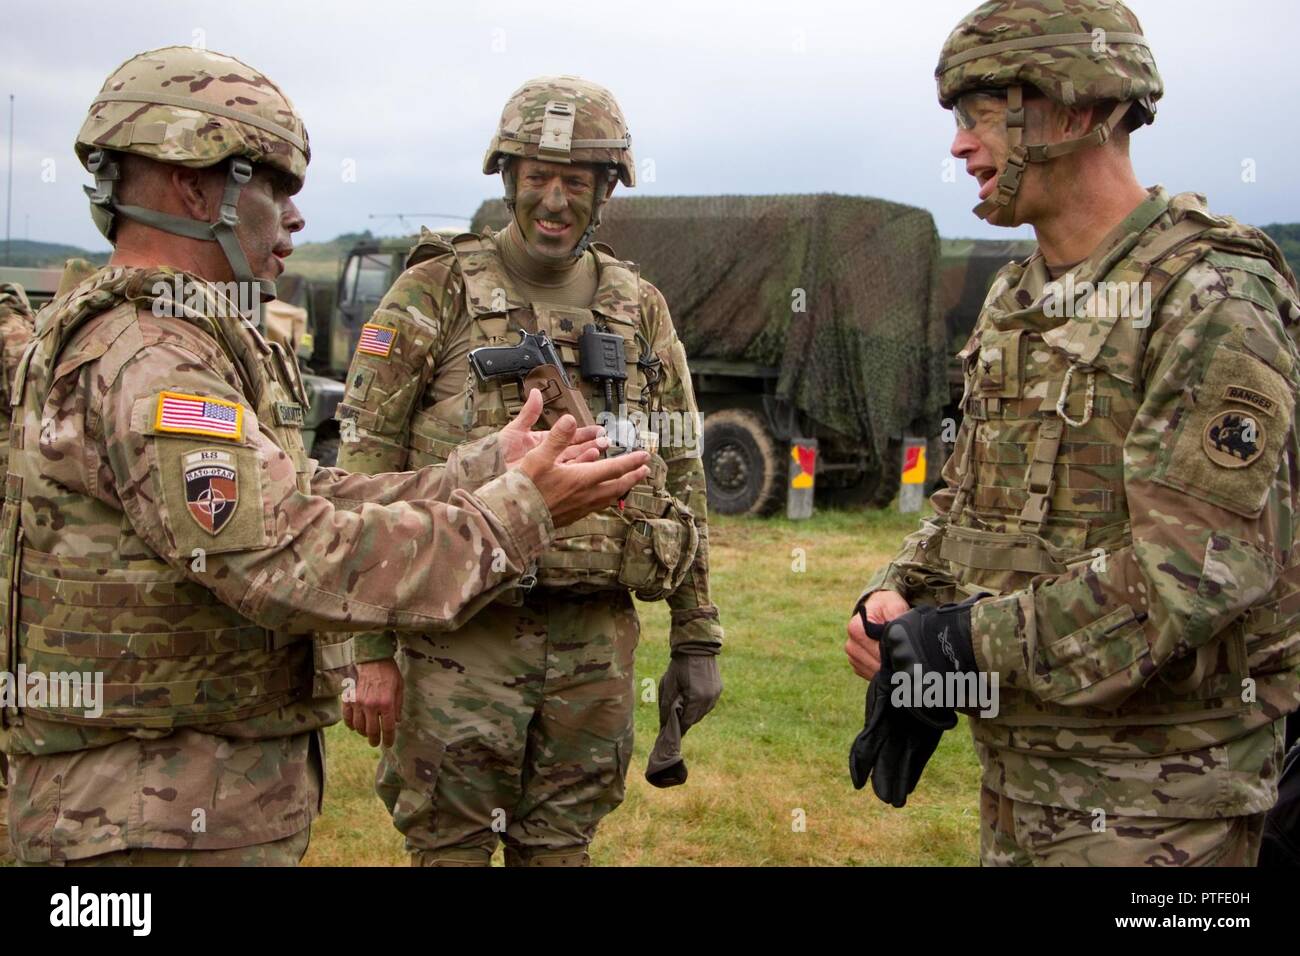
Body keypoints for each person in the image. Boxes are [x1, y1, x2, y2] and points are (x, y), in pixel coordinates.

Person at [0, 46, 648, 867]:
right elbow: (284, 551)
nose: (295, 218)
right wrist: (519, 511)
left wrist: (484, 468)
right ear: (195, 186)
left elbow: (303, 490)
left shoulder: (176, 340)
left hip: (171, 804)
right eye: (273, 186)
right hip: (145, 820)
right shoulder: (153, 362)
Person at [845, 0, 1300, 866]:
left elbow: (1194, 573)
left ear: (1081, 109)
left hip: (1164, 805)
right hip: (1025, 781)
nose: (959, 147)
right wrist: (897, 599)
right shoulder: (1019, 299)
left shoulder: (1209, 297)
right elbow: (973, 505)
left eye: (982, 115)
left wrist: (962, 642)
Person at [337, 75, 723, 867]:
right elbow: (363, 468)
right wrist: (366, 652)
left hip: (594, 643)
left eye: (576, 182)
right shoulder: (432, 293)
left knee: (561, 849)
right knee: (449, 848)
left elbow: (682, 469)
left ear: (606, 190)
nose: (555, 201)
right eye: (539, 178)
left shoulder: (639, 307)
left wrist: (697, 635)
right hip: (459, 636)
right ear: (508, 179)